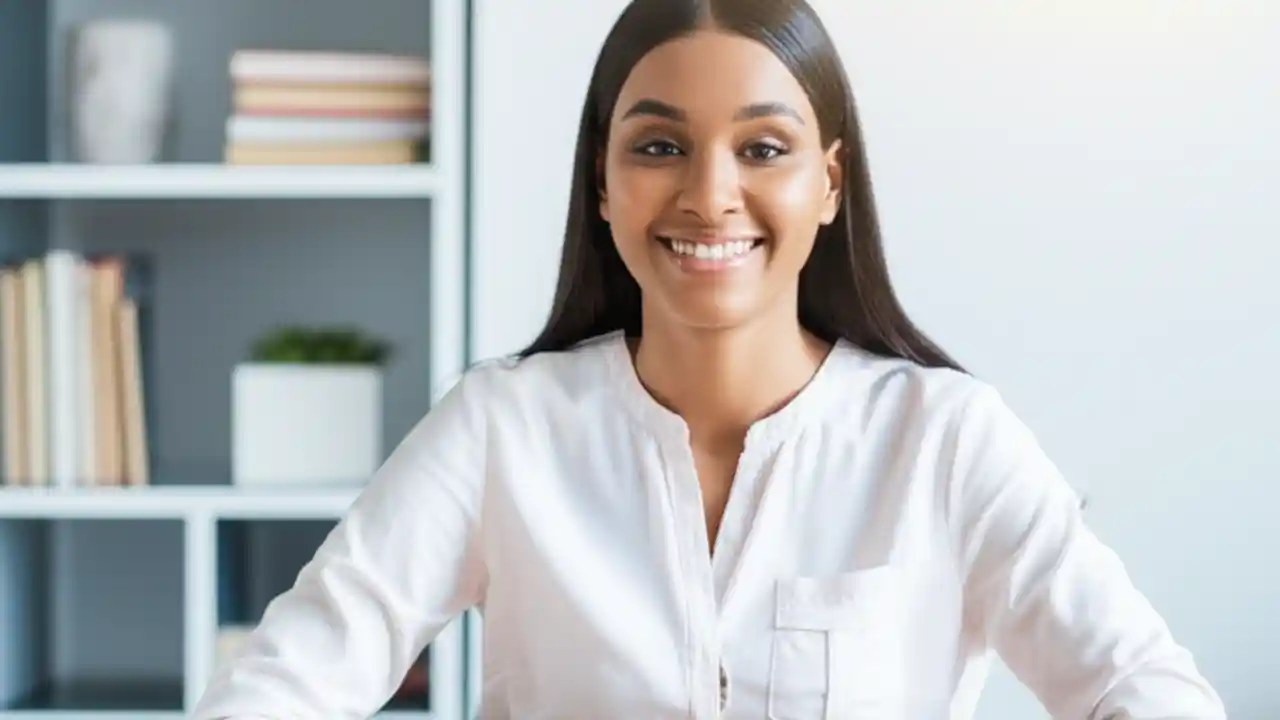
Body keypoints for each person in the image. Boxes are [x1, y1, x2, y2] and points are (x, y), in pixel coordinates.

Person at [193, 0, 1225, 718]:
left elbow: (1142, 690)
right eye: (656, 147)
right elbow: (281, 685)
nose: (708, 193)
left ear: (826, 183)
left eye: (762, 148)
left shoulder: (942, 439)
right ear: (601, 185)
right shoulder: (500, 430)